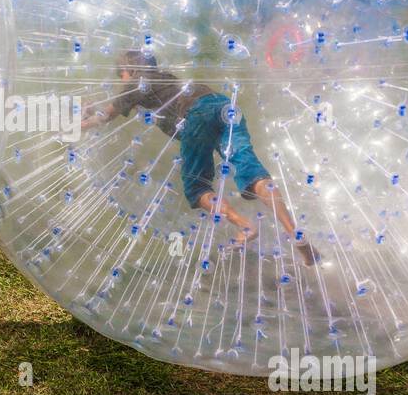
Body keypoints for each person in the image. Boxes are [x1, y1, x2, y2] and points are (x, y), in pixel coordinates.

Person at [80, 50, 318, 266]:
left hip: (195, 114)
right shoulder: (166, 78)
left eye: (120, 74)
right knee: (251, 170)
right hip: (223, 105)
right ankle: (294, 232)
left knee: (196, 187)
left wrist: (79, 124)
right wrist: (93, 109)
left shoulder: (136, 84)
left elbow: (105, 116)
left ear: (129, 71)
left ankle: (244, 225)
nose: (120, 80)